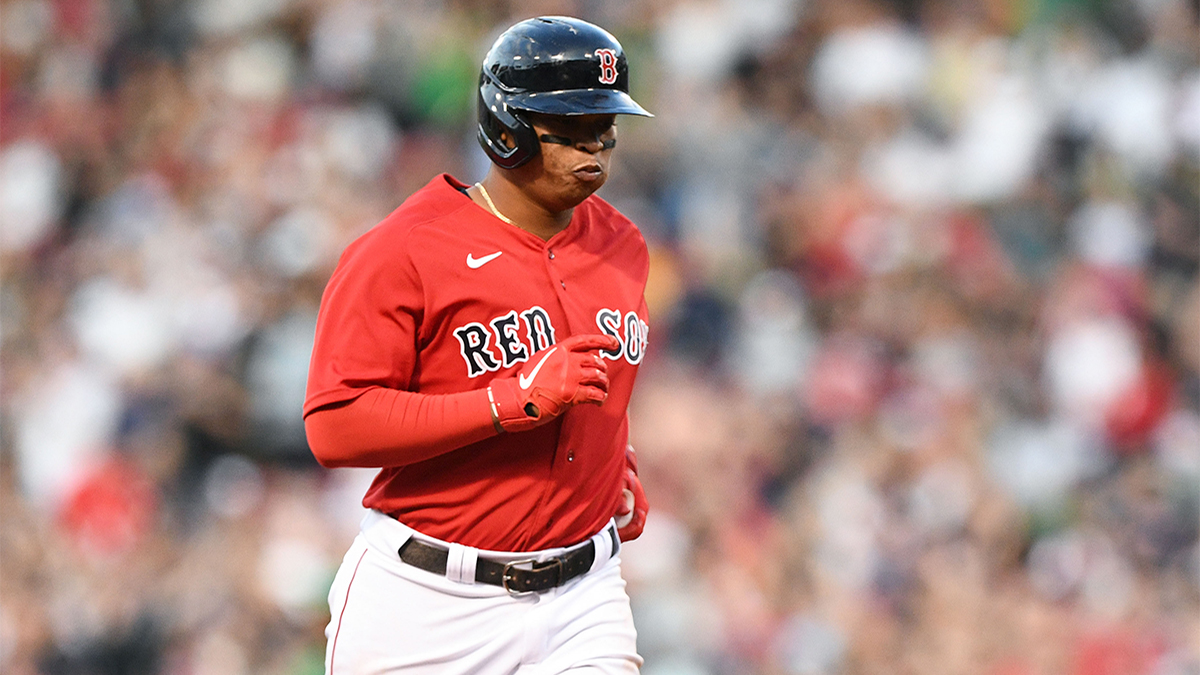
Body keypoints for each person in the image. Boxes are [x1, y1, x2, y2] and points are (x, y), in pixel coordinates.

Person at [303, 16, 653, 674]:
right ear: (506, 128)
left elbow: (596, 382)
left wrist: (609, 459)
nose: (593, 149)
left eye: (604, 127)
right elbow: (334, 425)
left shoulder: (623, 244)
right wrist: (507, 402)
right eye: (570, 129)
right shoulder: (404, 249)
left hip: (585, 592)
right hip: (427, 598)